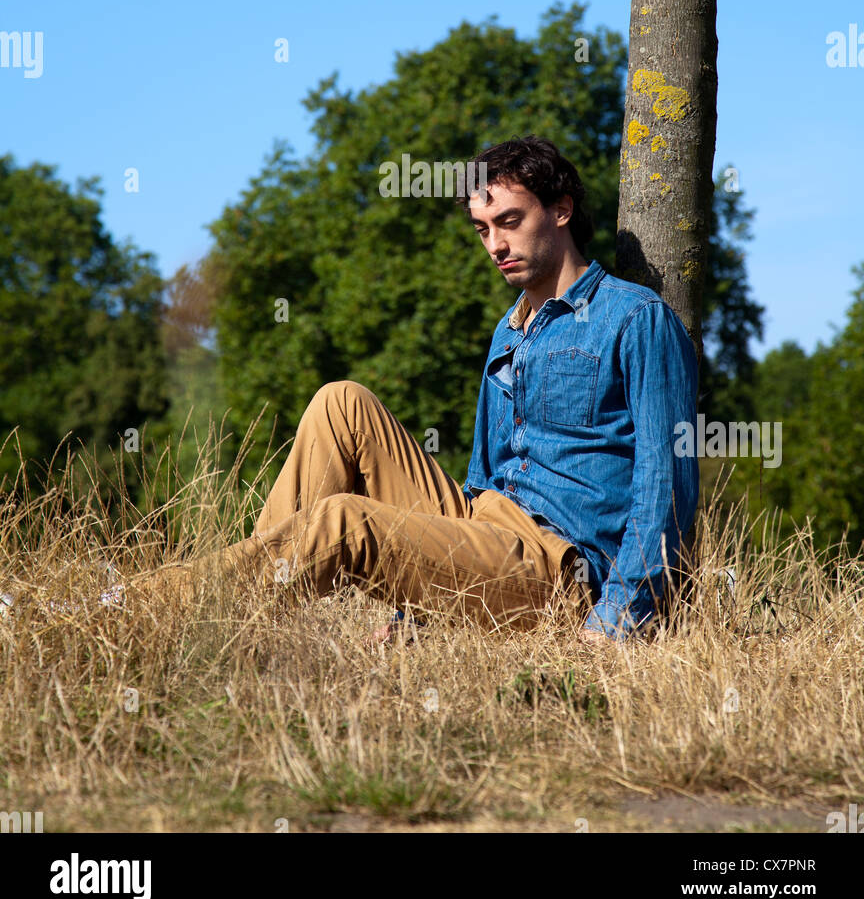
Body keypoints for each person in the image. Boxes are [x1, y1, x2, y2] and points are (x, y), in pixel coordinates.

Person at [141, 135, 700, 645]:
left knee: (342, 521)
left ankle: (149, 611)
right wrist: (421, 610)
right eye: (483, 229)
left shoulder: (634, 319)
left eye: (509, 220)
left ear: (561, 210)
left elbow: (666, 484)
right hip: (483, 524)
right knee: (341, 402)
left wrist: (617, 622)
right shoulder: (510, 331)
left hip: (553, 563)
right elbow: (485, 475)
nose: (495, 245)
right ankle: (240, 623)